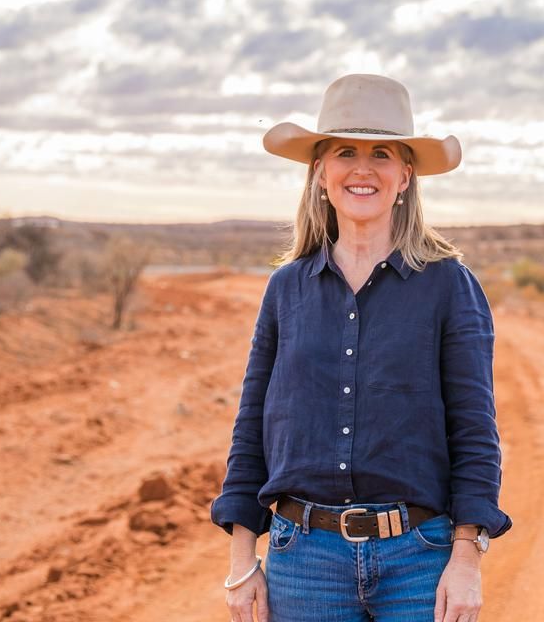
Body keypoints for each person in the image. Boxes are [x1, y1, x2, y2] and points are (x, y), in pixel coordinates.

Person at [209, 73, 512, 622]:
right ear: (321, 172)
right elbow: (252, 425)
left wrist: (467, 556)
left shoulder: (448, 285)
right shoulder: (287, 289)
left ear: (405, 175)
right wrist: (241, 559)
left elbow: (474, 429)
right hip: (302, 562)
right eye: (345, 151)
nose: (363, 168)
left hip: (419, 559)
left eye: (383, 154)